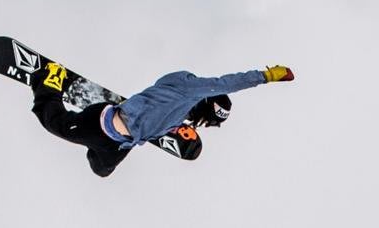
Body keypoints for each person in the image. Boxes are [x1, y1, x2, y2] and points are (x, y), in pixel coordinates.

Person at [88, 65, 295, 177]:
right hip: (139, 118)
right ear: (207, 107)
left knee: (102, 168)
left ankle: (163, 127)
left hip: (148, 118)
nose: (202, 124)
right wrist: (266, 76)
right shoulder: (197, 89)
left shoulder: (189, 98)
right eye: (206, 121)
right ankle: (160, 126)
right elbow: (230, 83)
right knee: (103, 167)